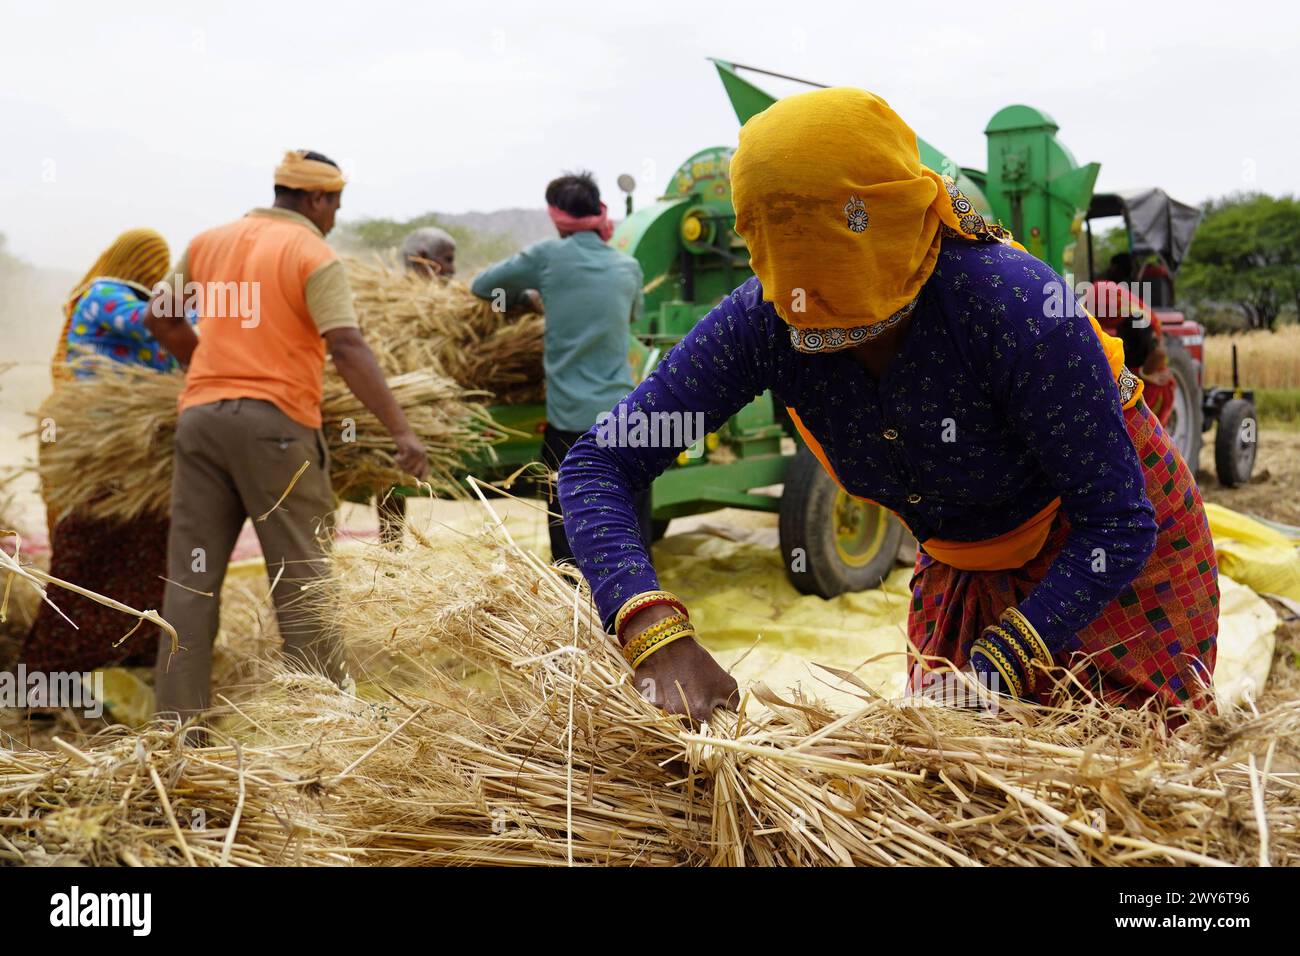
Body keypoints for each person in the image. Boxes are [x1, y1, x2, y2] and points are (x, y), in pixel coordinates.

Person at [558, 89, 1219, 723]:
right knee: (956, 796)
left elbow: (1118, 523)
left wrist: (1001, 662)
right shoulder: (765, 321)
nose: (819, 313)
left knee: (1110, 792)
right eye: (785, 243)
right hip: (963, 555)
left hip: (1109, 550)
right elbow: (598, 465)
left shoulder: (1011, 304)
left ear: (899, 210)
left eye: (837, 249)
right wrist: (652, 629)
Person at [145, 150, 430, 722]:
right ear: (318, 199)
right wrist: (401, 430)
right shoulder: (312, 253)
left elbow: (161, 317)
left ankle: (176, 736)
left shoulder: (208, 243)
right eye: (335, 207)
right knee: (303, 581)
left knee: (192, 580)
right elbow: (346, 345)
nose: (334, 220)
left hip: (200, 424)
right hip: (275, 432)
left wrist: (209, 368)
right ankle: (322, 729)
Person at [470, 171, 652, 564]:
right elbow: (635, 314)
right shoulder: (628, 267)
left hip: (570, 426)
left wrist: (530, 298)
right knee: (631, 530)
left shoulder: (546, 257)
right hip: (624, 417)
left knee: (569, 536)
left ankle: (574, 616)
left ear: (557, 217)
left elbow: (483, 286)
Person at [21, 229, 177, 678]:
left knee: (150, 551)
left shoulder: (154, 307)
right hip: (94, 450)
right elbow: (146, 322)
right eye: (154, 262)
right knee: (87, 551)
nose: (157, 272)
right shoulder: (104, 294)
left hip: (140, 457)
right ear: (136, 261)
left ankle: (129, 664)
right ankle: (43, 681)